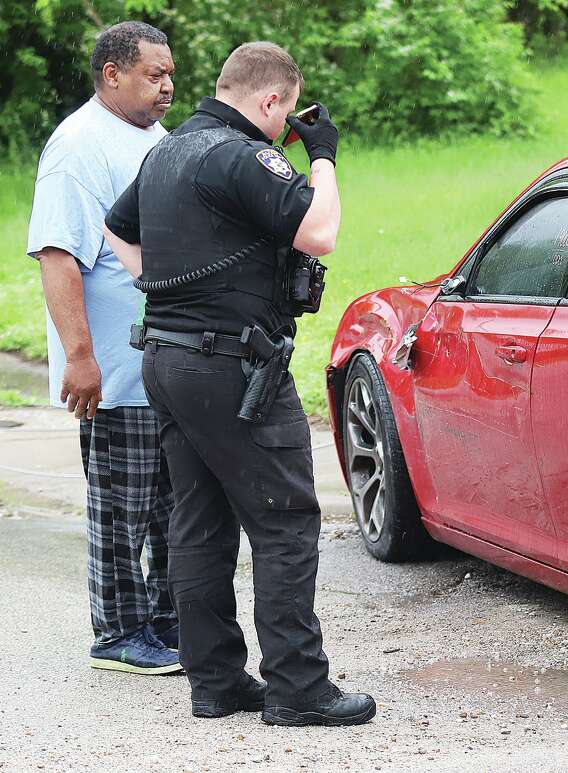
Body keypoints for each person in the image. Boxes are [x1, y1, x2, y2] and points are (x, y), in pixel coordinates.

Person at [102, 41, 376, 726]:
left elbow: (117, 229)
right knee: (285, 520)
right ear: (271, 101)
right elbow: (320, 231)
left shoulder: (167, 151)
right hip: (232, 366)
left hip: (166, 358)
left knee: (199, 521)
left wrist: (165, 291)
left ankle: (216, 680)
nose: (284, 126)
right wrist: (324, 155)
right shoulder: (243, 154)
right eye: (284, 115)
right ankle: (298, 688)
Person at [26, 21, 181, 675]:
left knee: (173, 506)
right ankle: (118, 632)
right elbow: (59, 256)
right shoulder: (79, 146)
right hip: (115, 373)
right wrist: (81, 358)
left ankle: (170, 623)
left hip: (169, 367)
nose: (168, 85)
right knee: (122, 506)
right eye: (154, 74)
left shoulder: (156, 137)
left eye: (171, 73)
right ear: (111, 74)